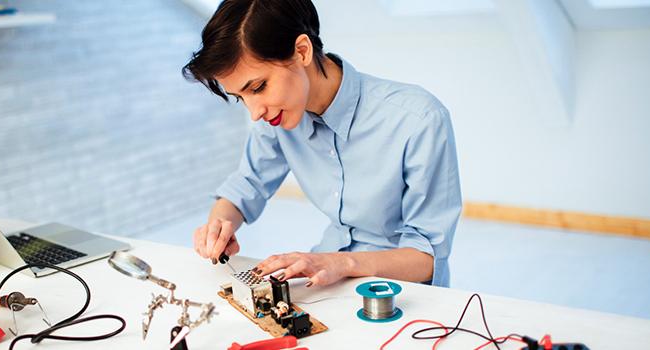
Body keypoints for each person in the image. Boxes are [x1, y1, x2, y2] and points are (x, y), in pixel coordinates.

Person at [182, 0, 461, 288]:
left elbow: (427, 257)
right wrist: (219, 226)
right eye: (242, 97)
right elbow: (247, 185)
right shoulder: (277, 118)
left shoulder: (419, 119)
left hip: (400, 293)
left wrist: (341, 264)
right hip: (328, 278)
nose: (255, 112)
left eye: (258, 87)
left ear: (302, 51)